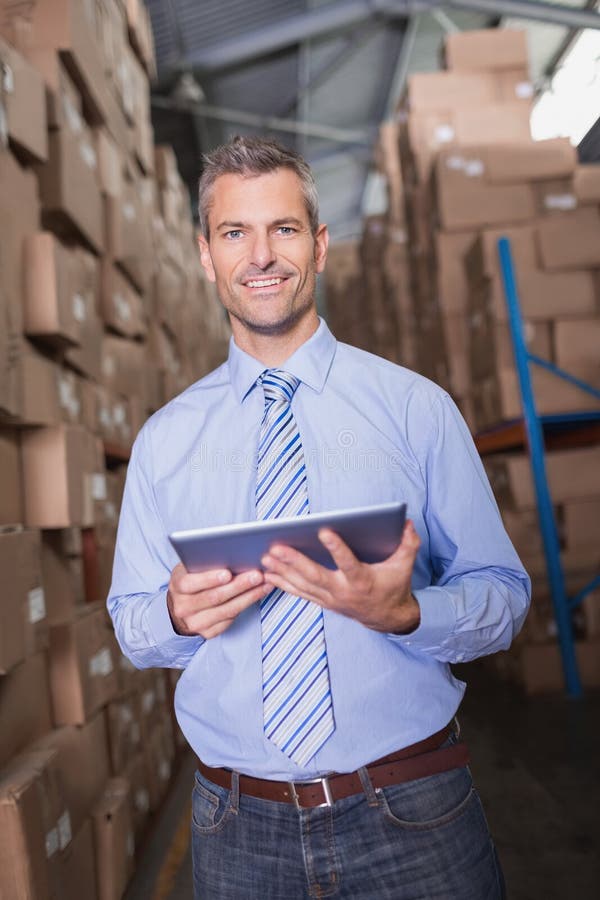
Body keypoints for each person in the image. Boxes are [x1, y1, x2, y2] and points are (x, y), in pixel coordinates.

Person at [108, 135, 530, 899]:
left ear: (320, 245)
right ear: (206, 255)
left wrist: (406, 612)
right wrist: (174, 612)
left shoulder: (414, 409)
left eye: (285, 229)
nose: (261, 255)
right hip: (236, 830)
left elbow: (502, 596)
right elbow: (132, 627)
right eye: (236, 233)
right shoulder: (164, 440)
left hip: (412, 809)